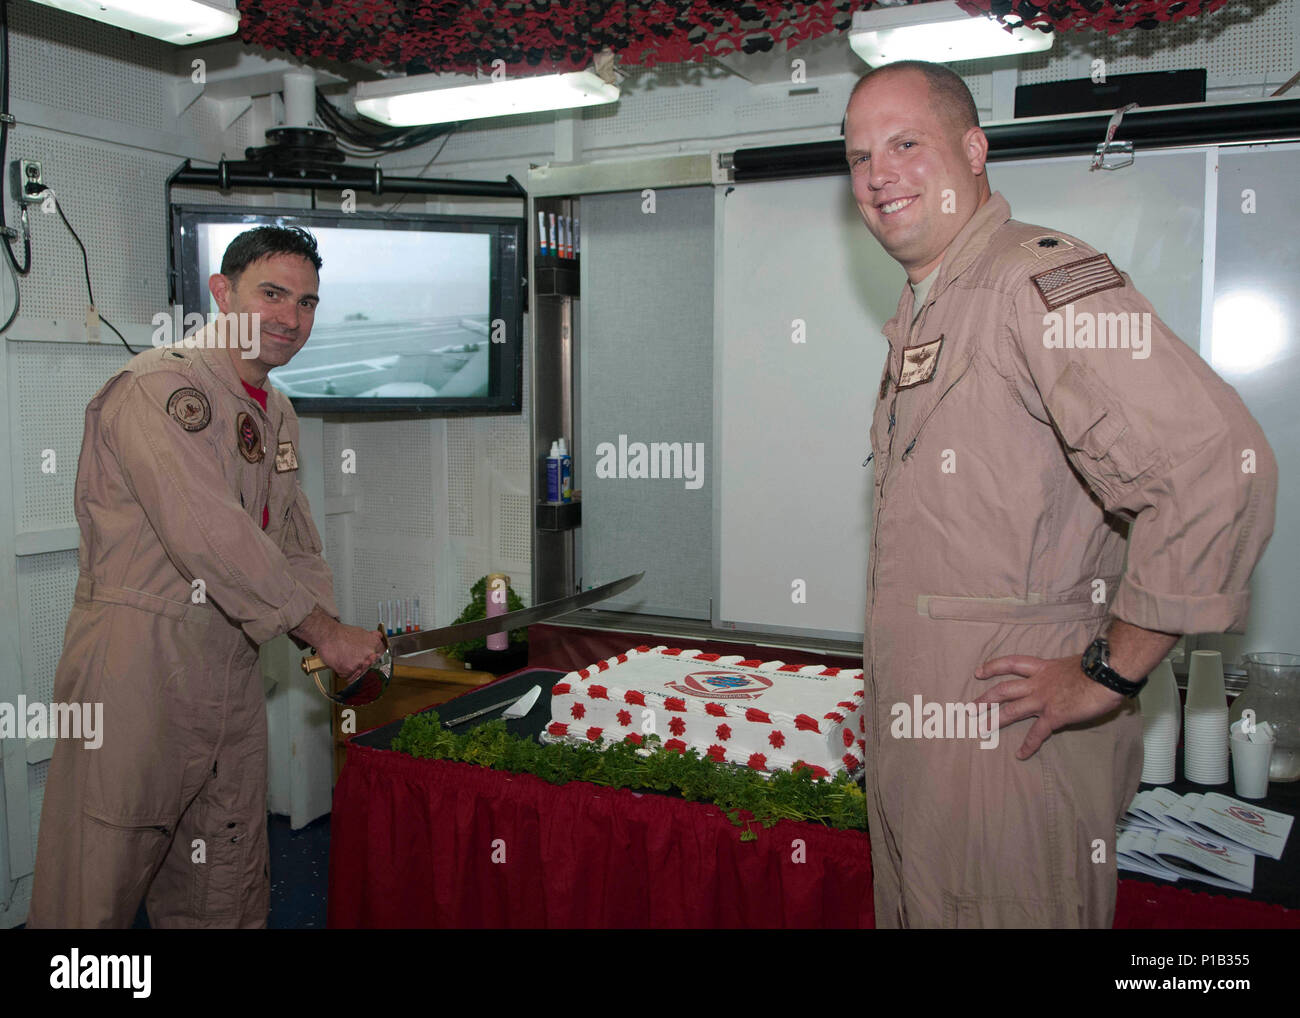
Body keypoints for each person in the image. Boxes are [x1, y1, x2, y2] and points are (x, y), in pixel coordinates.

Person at [844, 61, 1277, 928]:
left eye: (905, 144)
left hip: (1013, 764)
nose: (878, 175)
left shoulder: (1030, 284)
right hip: (931, 761)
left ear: (973, 150)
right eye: (858, 158)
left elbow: (1216, 464)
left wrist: (1107, 673)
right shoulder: (933, 308)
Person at [27, 226, 384, 928]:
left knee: (223, 875)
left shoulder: (276, 409)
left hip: (231, 667)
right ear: (222, 293)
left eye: (308, 303)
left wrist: (328, 648)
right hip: (138, 665)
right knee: (94, 885)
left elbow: (295, 542)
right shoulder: (160, 386)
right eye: (273, 294)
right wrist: (322, 631)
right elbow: (210, 536)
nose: (291, 317)